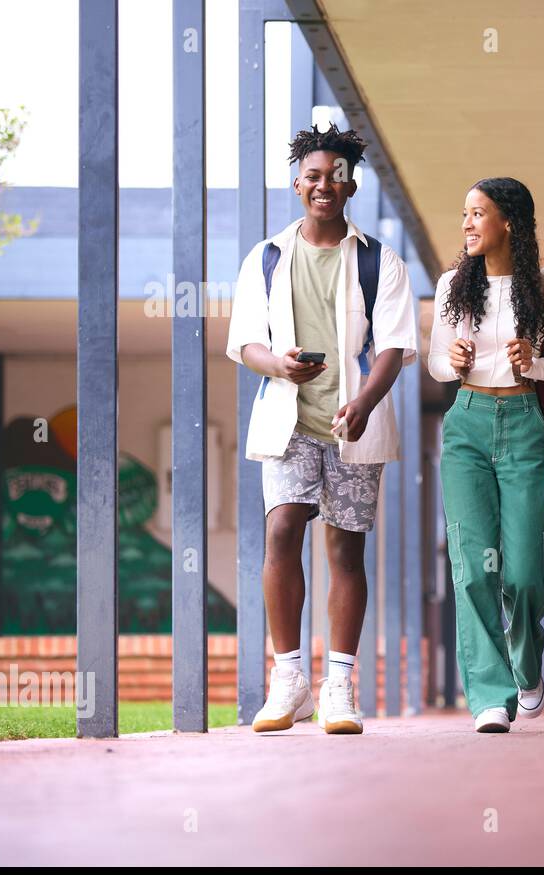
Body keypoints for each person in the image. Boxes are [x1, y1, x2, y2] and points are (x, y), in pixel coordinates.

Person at [227, 124, 418, 734]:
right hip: (289, 420)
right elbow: (245, 342)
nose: (324, 185)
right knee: (282, 528)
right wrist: (278, 363)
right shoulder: (266, 257)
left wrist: (363, 401)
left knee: (346, 547)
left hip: (352, 423)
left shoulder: (377, 259)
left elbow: (393, 345)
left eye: (335, 176)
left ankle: (340, 683)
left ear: (350, 184)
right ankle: (288, 679)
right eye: (313, 176)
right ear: (297, 184)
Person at [428, 177, 544, 733]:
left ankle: (525, 658)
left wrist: (532, 363)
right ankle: (491, 697)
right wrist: (455, 361)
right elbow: (435, 366)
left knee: (520, 573)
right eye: (465, 214)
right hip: (467, 422)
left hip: (521, 424)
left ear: (508, 221)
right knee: (474, 567)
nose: (467, 224)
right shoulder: (452, 285)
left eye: (478, 213)